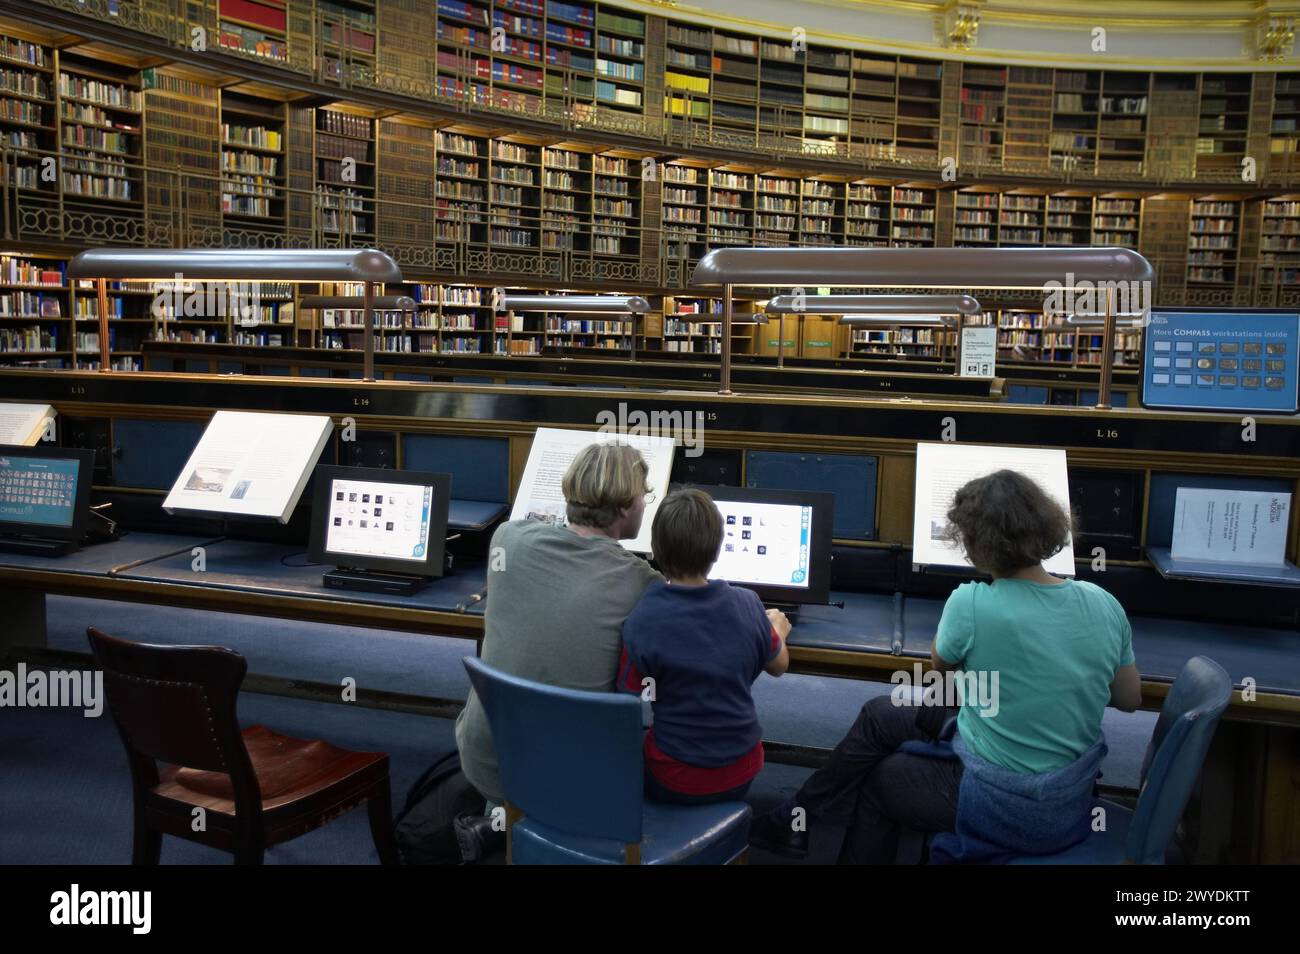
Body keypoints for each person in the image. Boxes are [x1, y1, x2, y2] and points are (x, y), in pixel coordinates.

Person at [750, 468, 1142, 863]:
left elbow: (940, 665)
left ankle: (807, 827)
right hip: (1070, 798)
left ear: (974, 544)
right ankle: (792, 820)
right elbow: (1129, 698)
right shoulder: (1102, 602)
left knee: (882, 780)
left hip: (1008, 806)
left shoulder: (971, 602)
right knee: (879, 714)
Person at [455, 441, 663, 807]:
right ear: (625, 506)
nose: (646, 505)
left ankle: (504, 824)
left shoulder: (507, 539)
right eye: (644, 497)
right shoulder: (643, 584)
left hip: (486, 759)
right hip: (574, 779)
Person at [619, 487, 790, 804]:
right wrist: (776, 629)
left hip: (672, 780)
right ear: (717, 549)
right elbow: (779, 666)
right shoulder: (748, 604)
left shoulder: (643, 618)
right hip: (742, 775)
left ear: (655, 548)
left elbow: (626, 698)